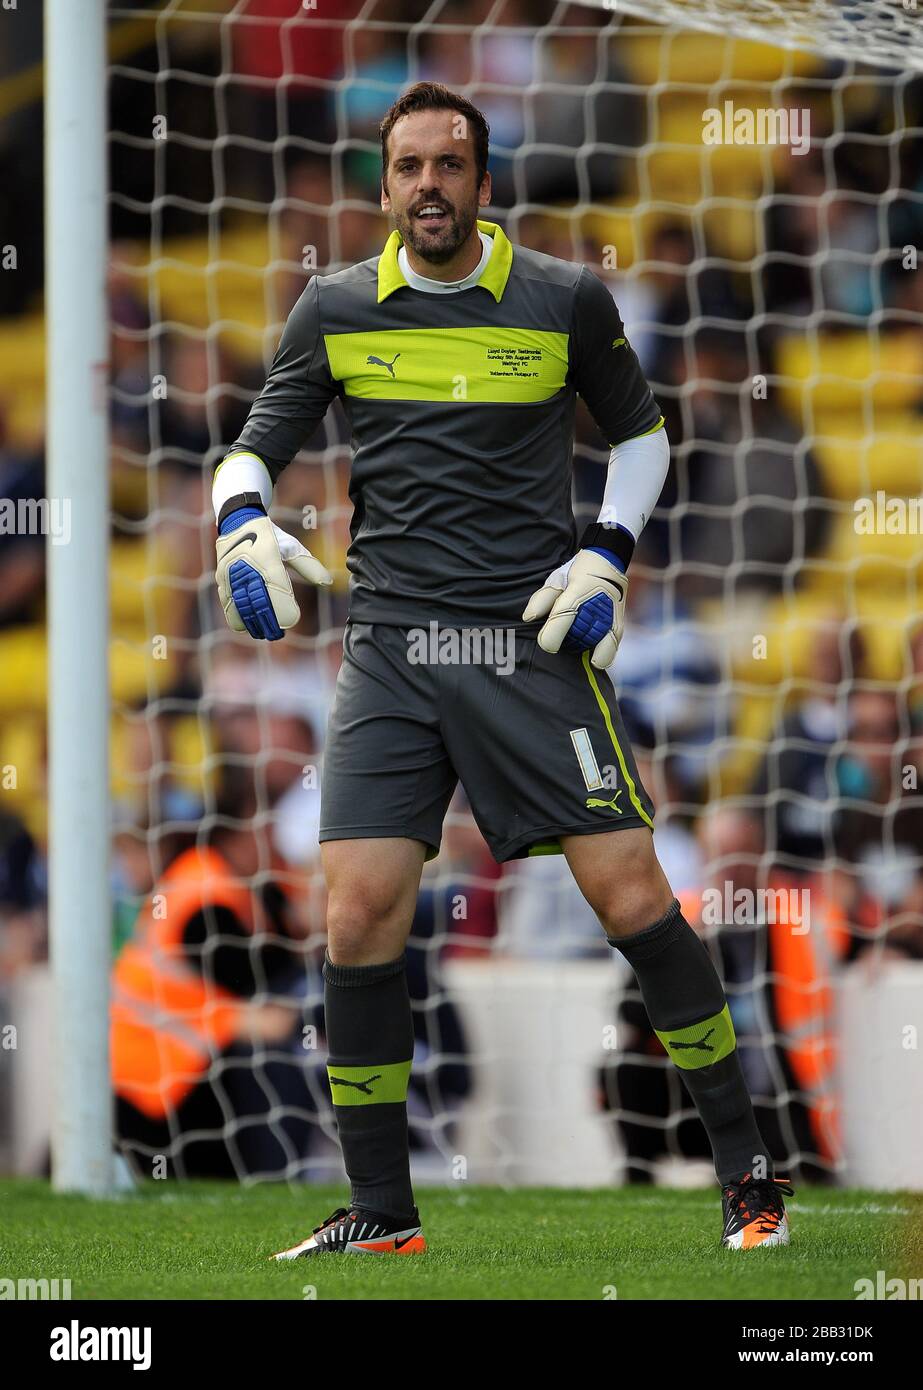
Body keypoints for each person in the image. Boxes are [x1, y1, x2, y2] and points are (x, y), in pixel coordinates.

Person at [210, 82, 792, 1256]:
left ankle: (749, 1173)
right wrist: (238, 522)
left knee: (630, 895)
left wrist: (609, 554)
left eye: (450, 164)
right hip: (390, 647)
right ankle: (382, 1211)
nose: (428, 184)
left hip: (527, 639)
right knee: (358, 910)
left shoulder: (563, 298)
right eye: (408, 165)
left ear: (482, 183)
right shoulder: (330, 307)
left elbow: (640, 436)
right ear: (384, 187)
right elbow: (248, 451)